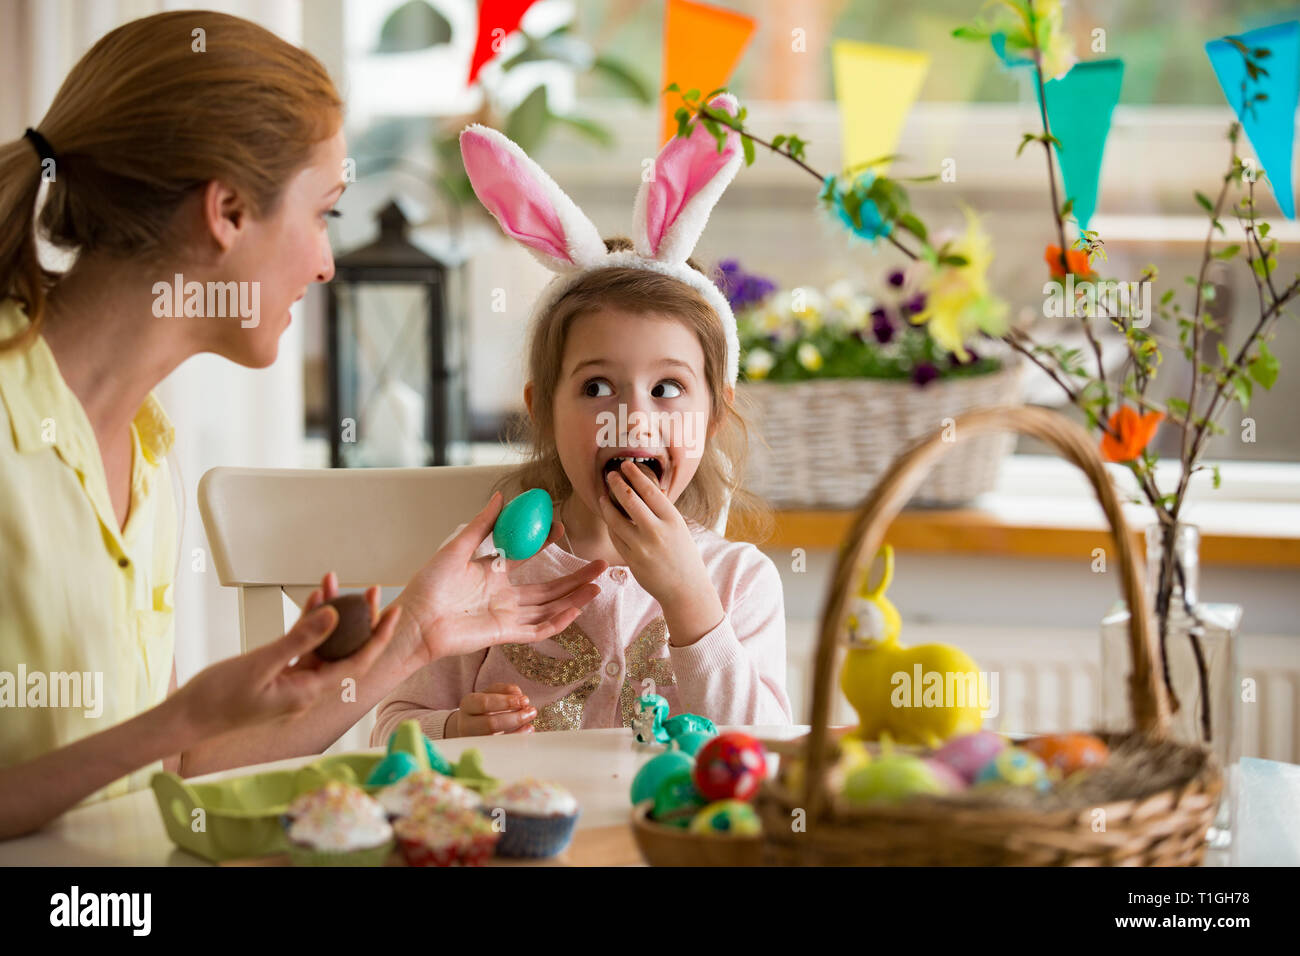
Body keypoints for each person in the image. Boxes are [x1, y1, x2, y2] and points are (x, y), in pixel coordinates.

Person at [0, 11, 605, 840]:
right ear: (229, 211)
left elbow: (171, 773)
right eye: (323, 213)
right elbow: (161, 745)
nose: (326, 262)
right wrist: (178, 718)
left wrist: (411, 642)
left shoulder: (145, 448)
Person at [372, 107, 791, 740]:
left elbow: (767, 755)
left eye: (668, 388)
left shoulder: (739, 583)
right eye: (596, 387)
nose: (632, 416)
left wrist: (689, 602)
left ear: (713, 419)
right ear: (541, 408)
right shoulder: (486, 569)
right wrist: (455, 728)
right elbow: (391, 732)